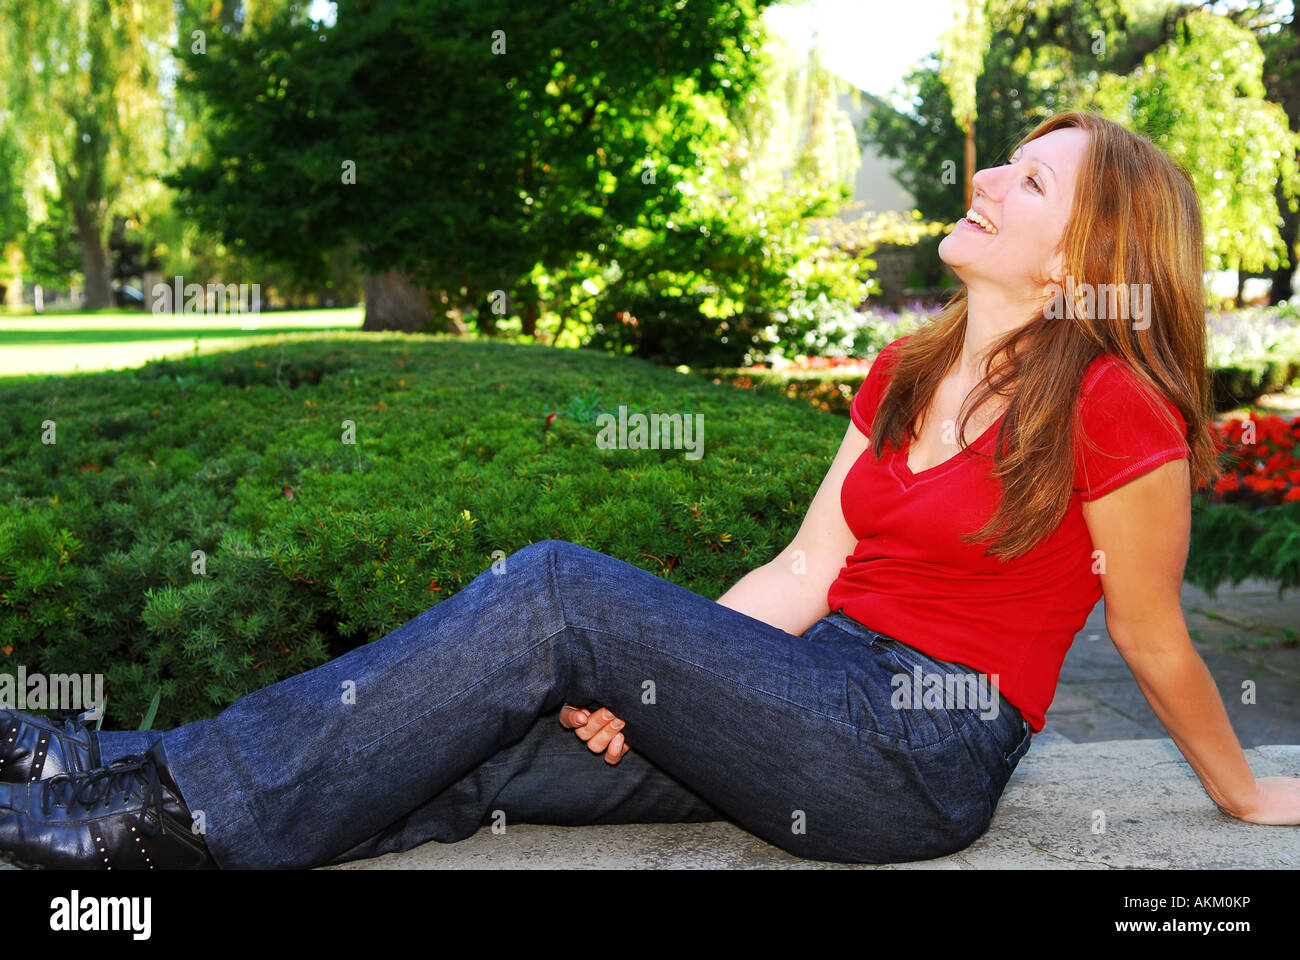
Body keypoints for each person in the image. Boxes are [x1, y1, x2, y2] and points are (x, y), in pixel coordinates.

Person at [3, 110, 1297, 870]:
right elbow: (802, 573)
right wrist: (674, 684)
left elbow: (1149, 633)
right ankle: (88, 781)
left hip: (918, 752)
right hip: (808, 692)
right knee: (482, 751)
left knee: (559, 589)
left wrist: (1241, 797)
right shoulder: (911, 370)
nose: (983, 179)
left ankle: (161, 808)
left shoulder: (1115, 407)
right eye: (999, 160)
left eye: (1029, 181)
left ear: (1089, 258)